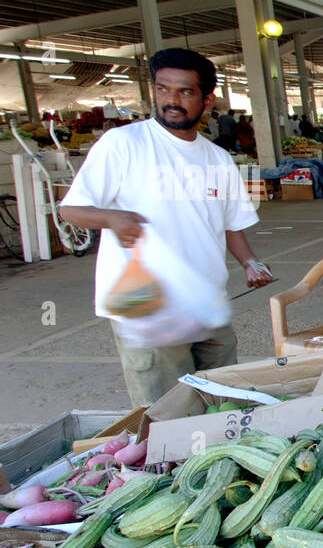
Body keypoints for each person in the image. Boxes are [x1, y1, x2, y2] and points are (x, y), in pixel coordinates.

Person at [59, 48, 274, 406]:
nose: (171, 101)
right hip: (148, 307)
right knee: (167, 413)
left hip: (206, 302)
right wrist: (111, 218)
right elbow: (71, 209)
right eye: (163, 89)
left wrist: (250, 262)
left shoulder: (219, 159)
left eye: (185, 92)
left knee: (223, 402)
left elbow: (231, 225)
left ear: (207, 101)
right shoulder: (123, 144)